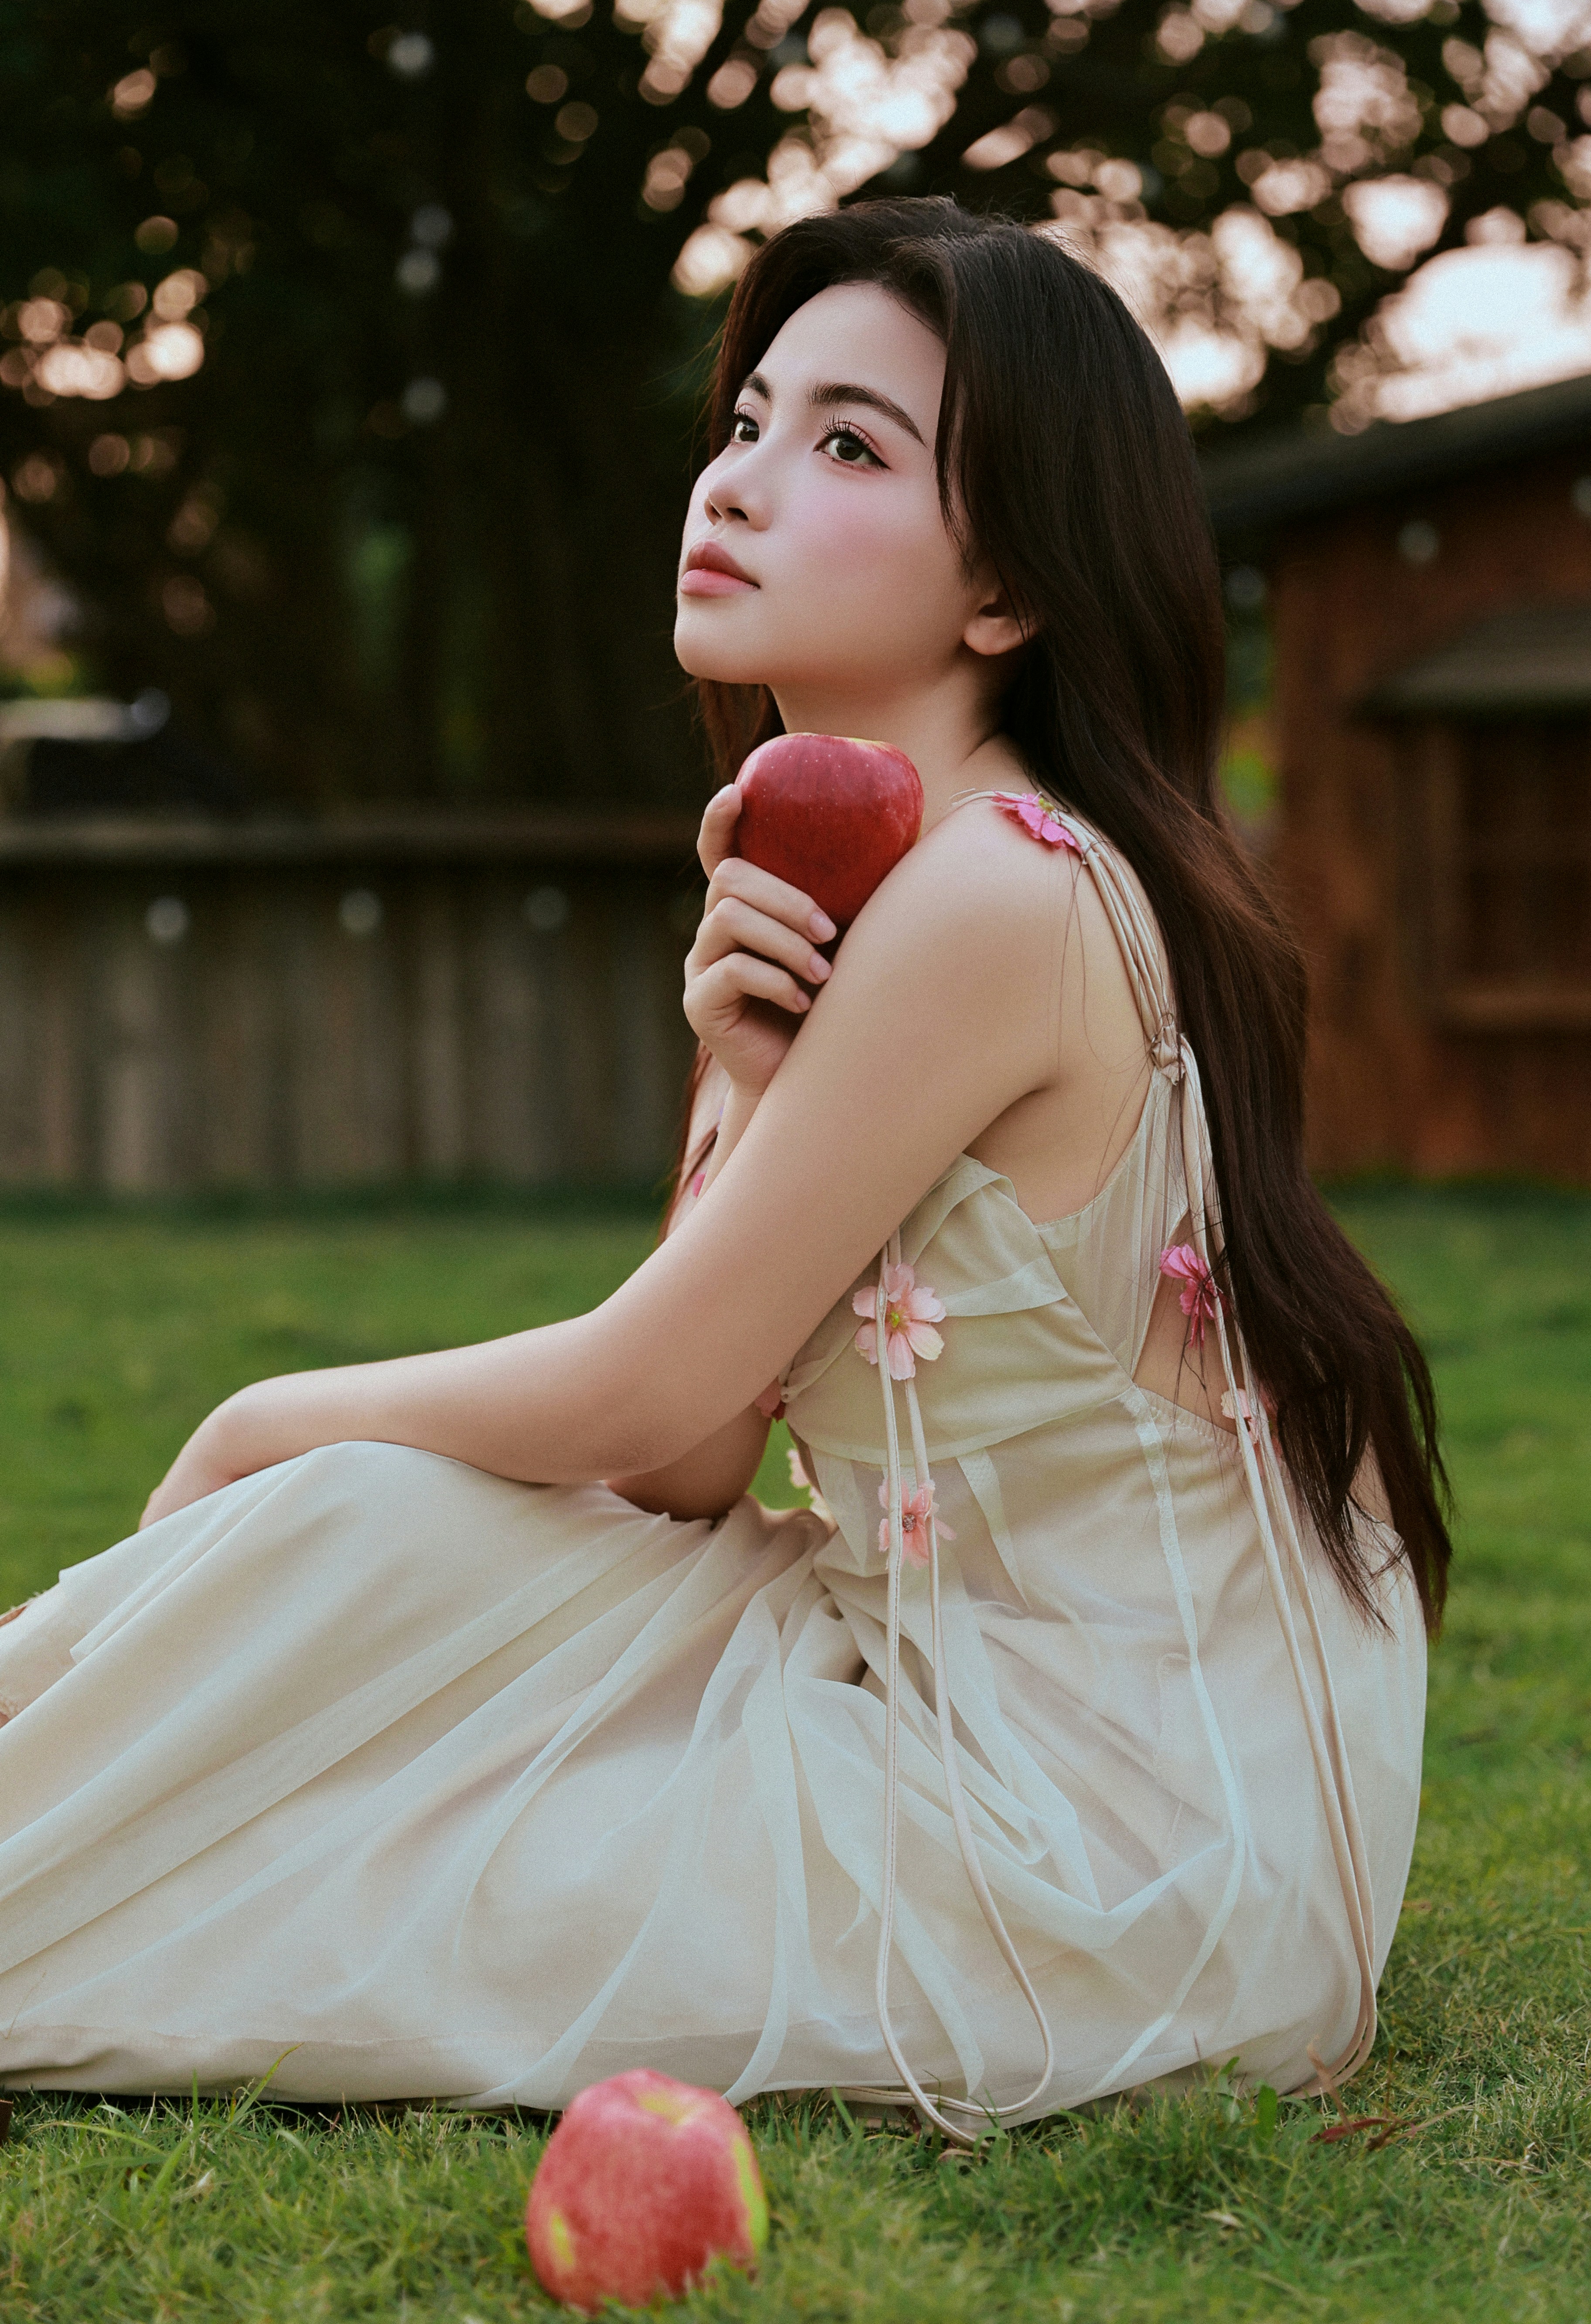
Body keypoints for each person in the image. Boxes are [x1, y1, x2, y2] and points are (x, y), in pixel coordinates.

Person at [0, 200, 1447, 2133]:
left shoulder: (995, 899)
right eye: (751, 419)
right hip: (906, 1666)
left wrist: (260, 1421)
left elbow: (641, 1400)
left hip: (1099, 1833)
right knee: (376, 1547)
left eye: (849, 446)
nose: (744, 482)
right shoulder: (863, 878)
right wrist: (748, 1071)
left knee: (356, 1812)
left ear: (1004, 585)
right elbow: (684, 1480)